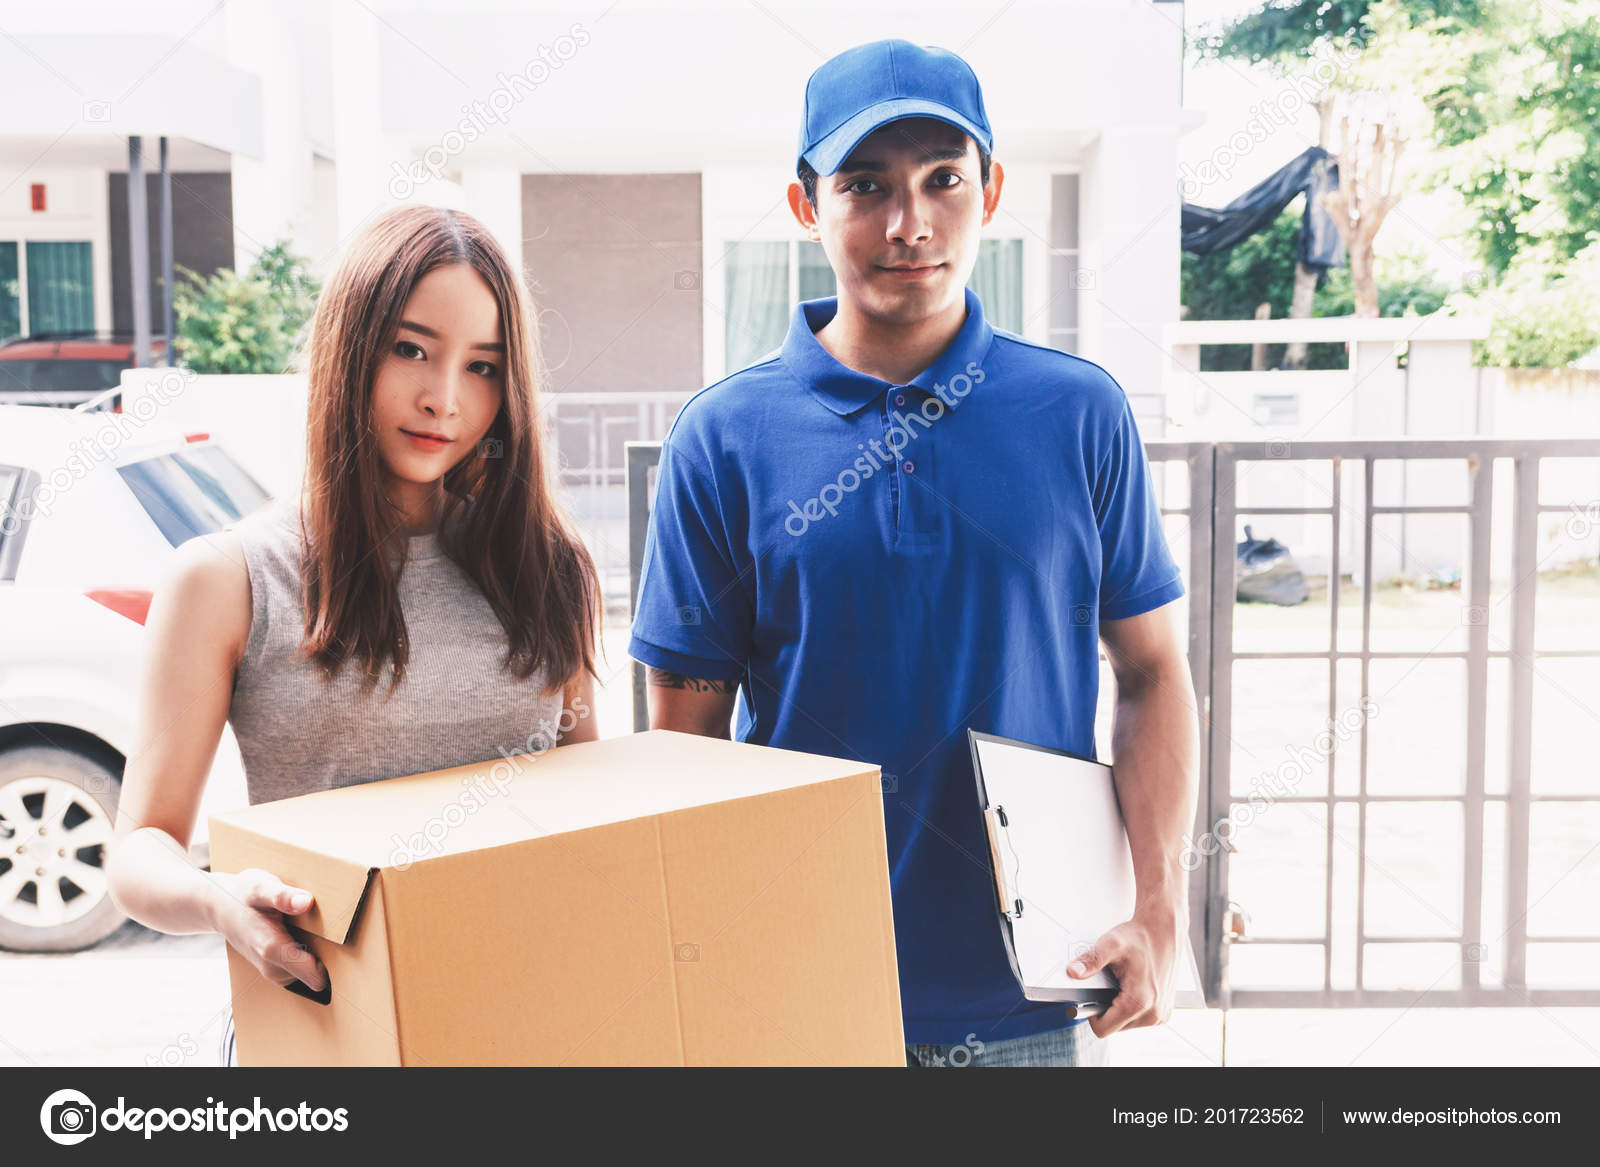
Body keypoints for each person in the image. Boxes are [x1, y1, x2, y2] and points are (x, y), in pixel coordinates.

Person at [629, 39, 1200, 1067]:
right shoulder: (723, 437)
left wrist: (1158, 913)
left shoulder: (1077, 414)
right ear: (807, 205)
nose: (910, 224)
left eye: (943, 179)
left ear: (990, 188)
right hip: (802, 1006)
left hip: (1038, 998)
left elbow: (1154, 673)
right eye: (865, 185)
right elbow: (686, 740)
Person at [106, 205, 601, 1066]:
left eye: (482, 367)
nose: (445, 397)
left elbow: (592, 807)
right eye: (411, 348)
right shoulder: (226, 578)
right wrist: (222, 899)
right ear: (349, 349)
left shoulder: (545, 566)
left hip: (525, 1019)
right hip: (320, 1030)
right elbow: (138, 849)